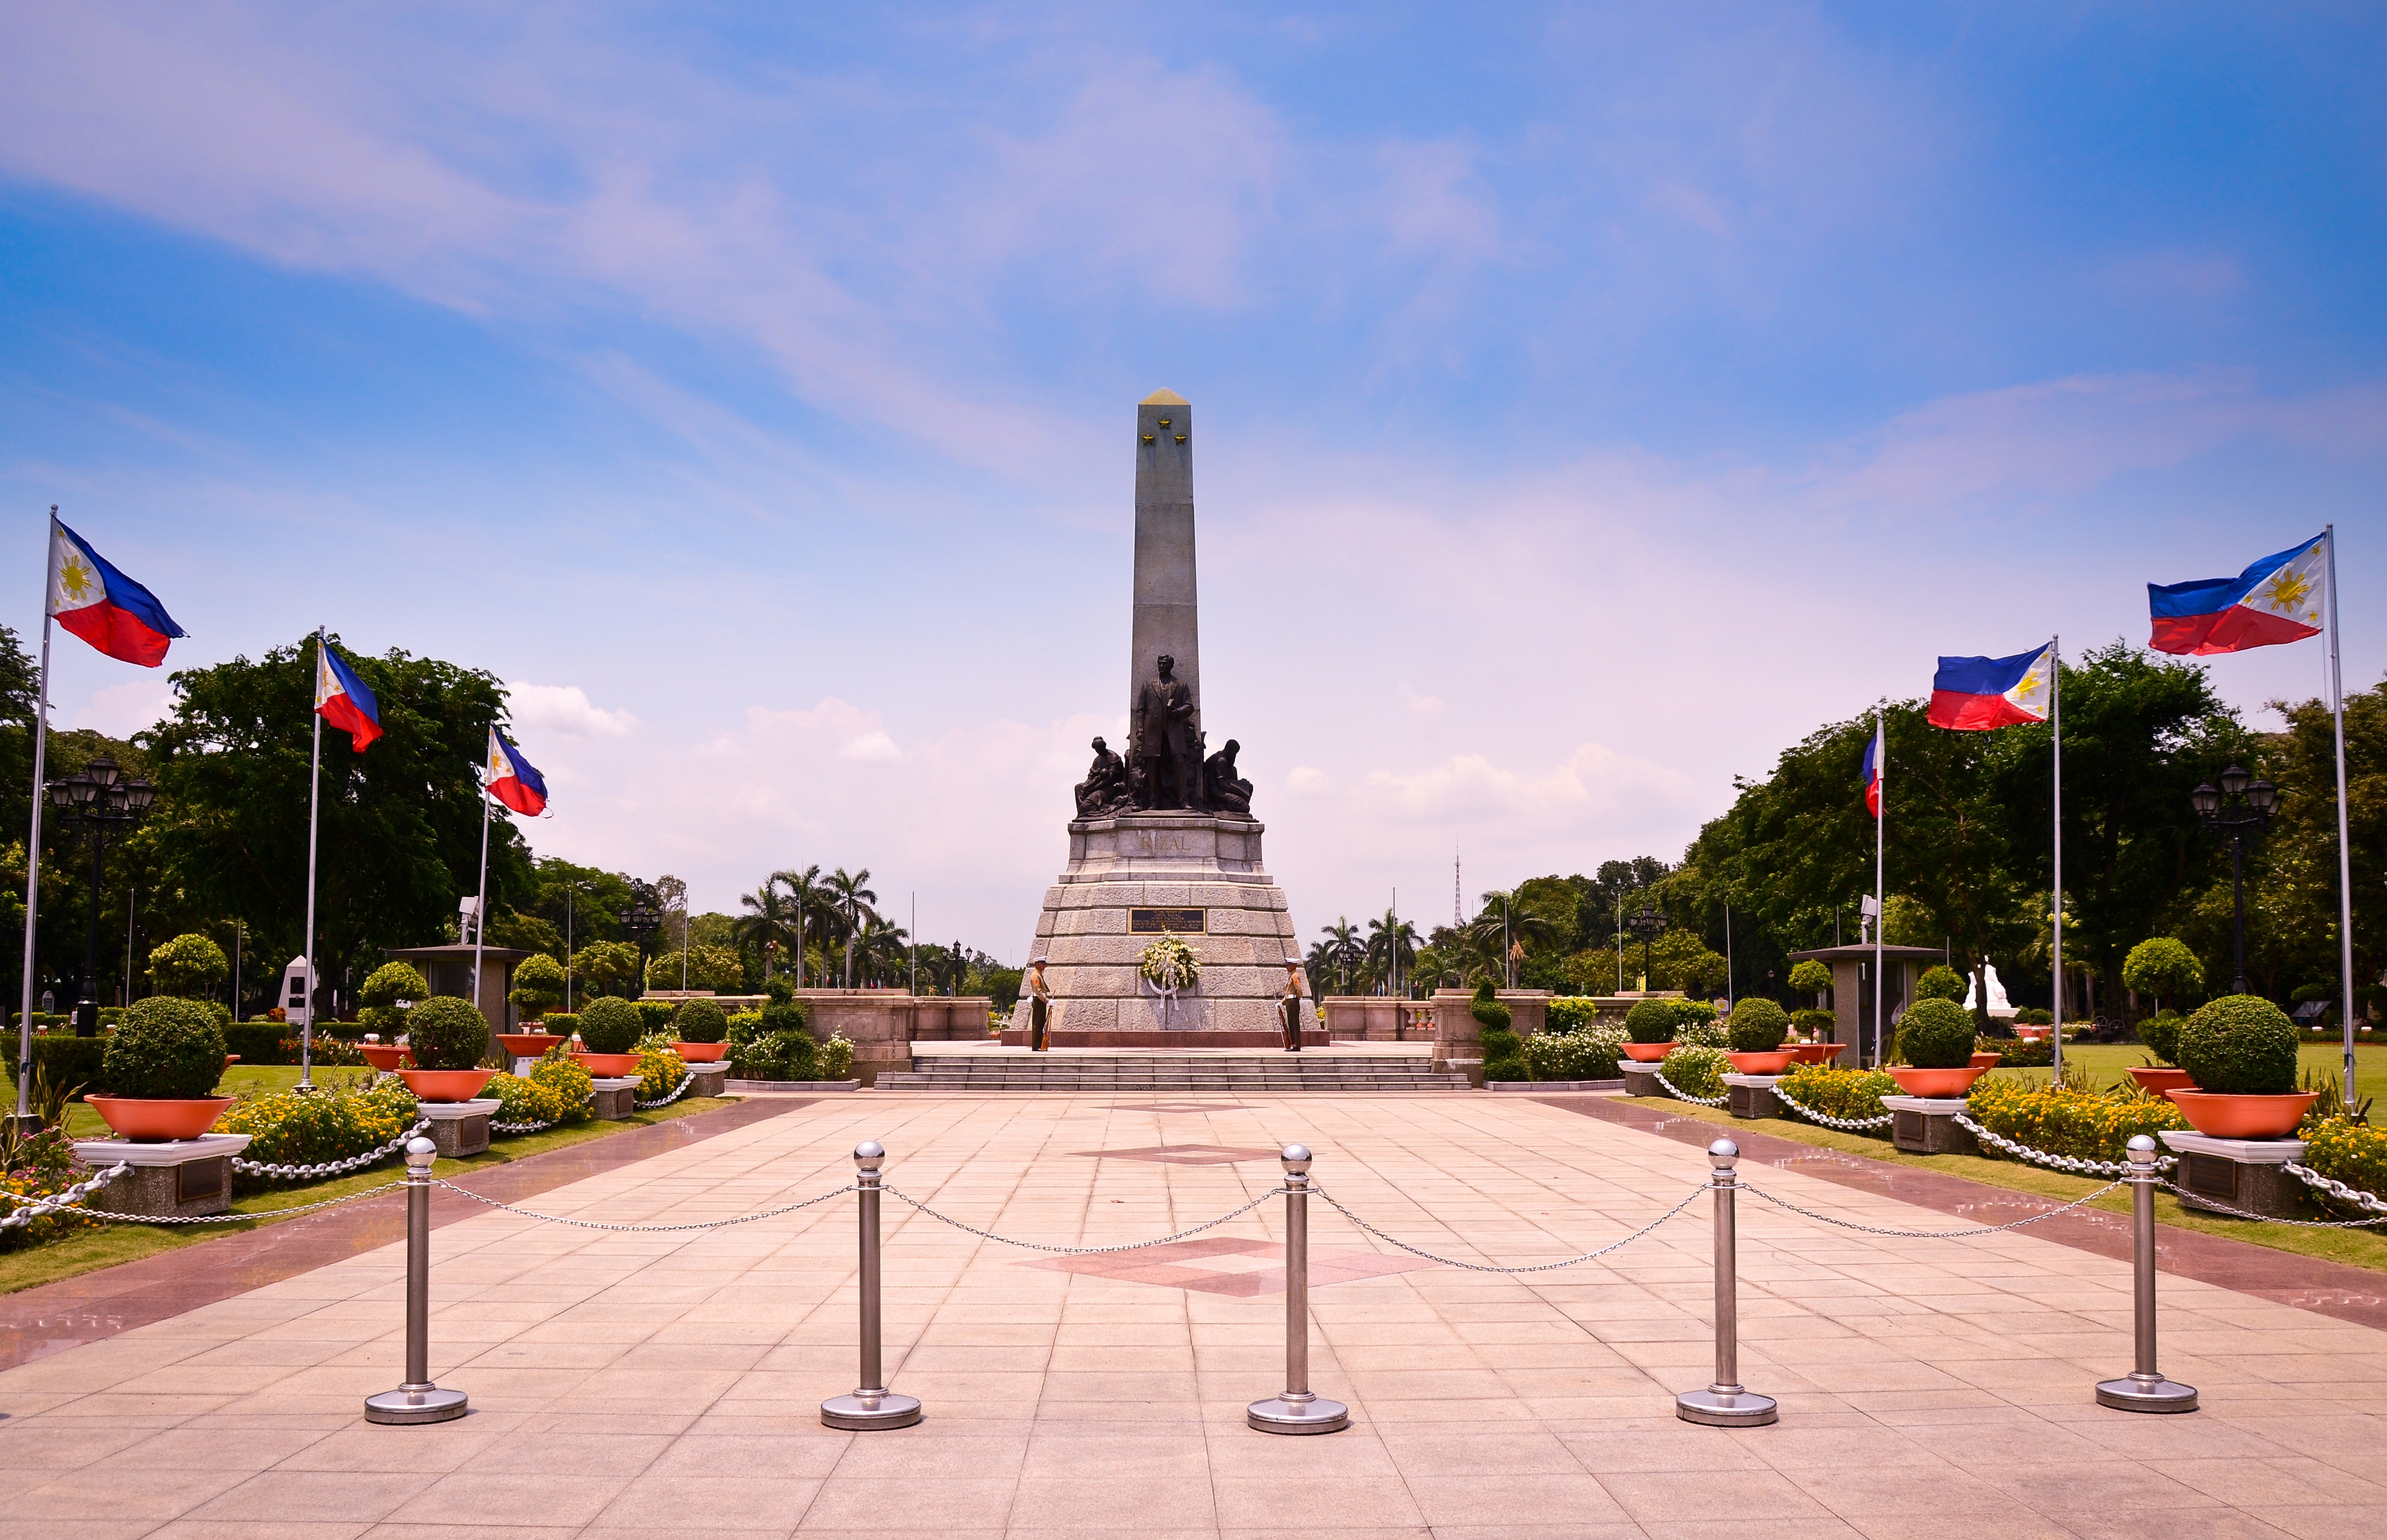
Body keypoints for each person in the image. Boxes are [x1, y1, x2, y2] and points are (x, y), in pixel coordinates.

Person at [1132, 653, 1203, 809]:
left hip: (1174, 731)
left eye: (1164, 664)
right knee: (1153, 766)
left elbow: (1189, 706)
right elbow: (1140, 710)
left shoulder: (1181, 685)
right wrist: (1140, 730)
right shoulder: (1147, 685)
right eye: (1159, 664)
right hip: (1153, 732)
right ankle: (1153, 802)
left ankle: (1184, 802)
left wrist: (1177, 713)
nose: (1161, 666)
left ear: (1171, 666)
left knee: (1179, 763)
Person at [1279, 958, 1306, 1052]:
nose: (1287, 966)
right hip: (1290, 1001)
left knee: (1295, 1024)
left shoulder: (1295, 976)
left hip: (1293, 1002)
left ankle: (1296, 1045)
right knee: (1291, 1024)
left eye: (1289, 965)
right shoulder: (1291, 976)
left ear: (1294, 966)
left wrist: (1296, 998)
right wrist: (1282, 1002)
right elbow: (1288, 993)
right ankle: (1294, 1044)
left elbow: (1299, 990)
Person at [1026, 957, 1052, 1052]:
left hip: (1040, 1001)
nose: (1045, 966)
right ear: (1037, 964)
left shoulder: (1039, 974)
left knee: (1041, 1023)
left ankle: (1039, 1044)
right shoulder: (1036, 976)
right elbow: (1038, 991)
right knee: (1037, 1024)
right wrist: (1047, 1000)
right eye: (1043, 963)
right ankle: (1036, 1045)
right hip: (1039, 1002)